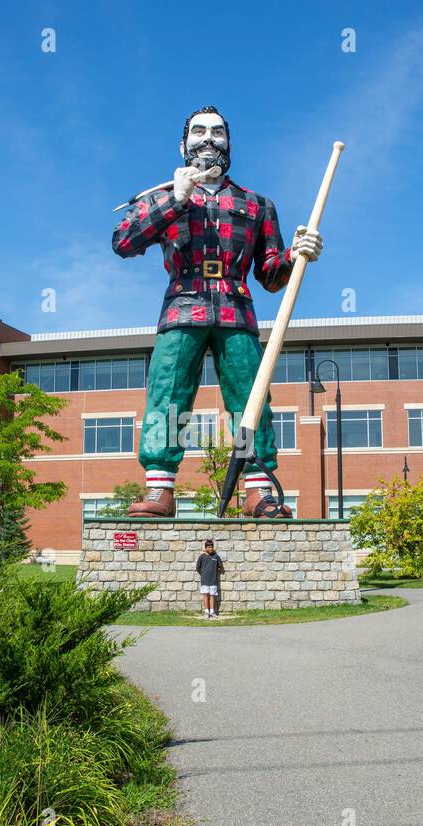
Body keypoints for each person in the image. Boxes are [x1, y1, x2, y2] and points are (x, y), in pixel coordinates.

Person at [111, 106, 323, 518]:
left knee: (251, 398)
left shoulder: (256, 204)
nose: (208, 139)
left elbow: (270, 275)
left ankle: (257, 489)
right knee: (169, 396)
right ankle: (160, 487)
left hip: (236, 310)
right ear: (183, 144)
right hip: (180, 310)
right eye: (198, 132)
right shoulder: (162, 197)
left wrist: (297, 255)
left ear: (228, 143)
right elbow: (123, 242)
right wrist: (174, 200)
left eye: (217, 133)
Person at [195, 539, 225, 618]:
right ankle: (206, 612)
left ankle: (212, 611)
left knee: (212, 596)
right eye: (208, 547)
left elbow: (220, 567)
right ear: (205, 548)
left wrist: (215, 572)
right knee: (206, 595)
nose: (210, 548)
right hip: (205, 580)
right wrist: (204, 574)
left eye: (211, 547)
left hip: (213, 580)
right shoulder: (202, 557)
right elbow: (198, 568)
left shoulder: (216, 556)